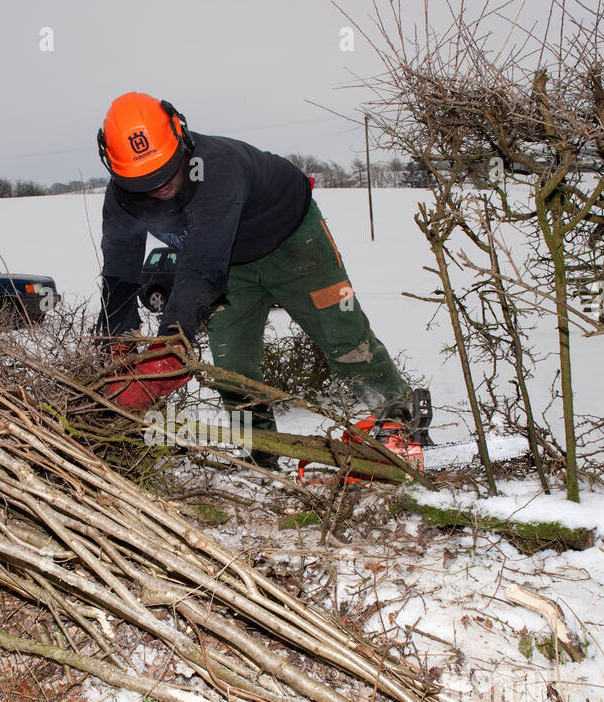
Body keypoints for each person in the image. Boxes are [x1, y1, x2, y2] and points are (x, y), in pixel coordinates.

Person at [95, 92, 430, 465]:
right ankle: (261, 450)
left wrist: (167, 351)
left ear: (181, 136)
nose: (159, 187)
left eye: (166, 171)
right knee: (230, 366)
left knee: (343, 333)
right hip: (230, 267)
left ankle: (399, 420)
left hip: (295, 241)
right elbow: (119, 275)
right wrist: (117, 344)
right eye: (144, 181)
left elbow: (200, 266)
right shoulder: (121, 198)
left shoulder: (216, 168)